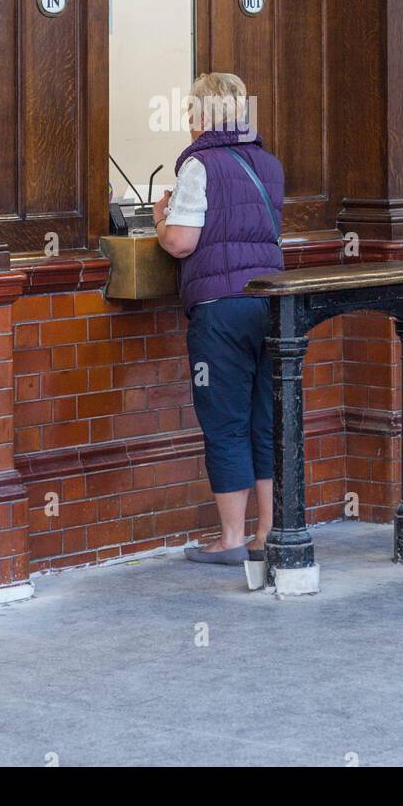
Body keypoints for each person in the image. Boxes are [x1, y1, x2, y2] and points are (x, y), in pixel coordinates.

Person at [153, 73, 284, 565]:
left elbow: (182, 241)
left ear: (205, 117)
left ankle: (231, 539)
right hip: (270, 305)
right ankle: (268, 533)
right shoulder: (269, 163)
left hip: (220, 309)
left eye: (191, 112)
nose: (187, 121)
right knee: (264, 420)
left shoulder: (200, 165)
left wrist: (160, 218)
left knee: (225, 421)